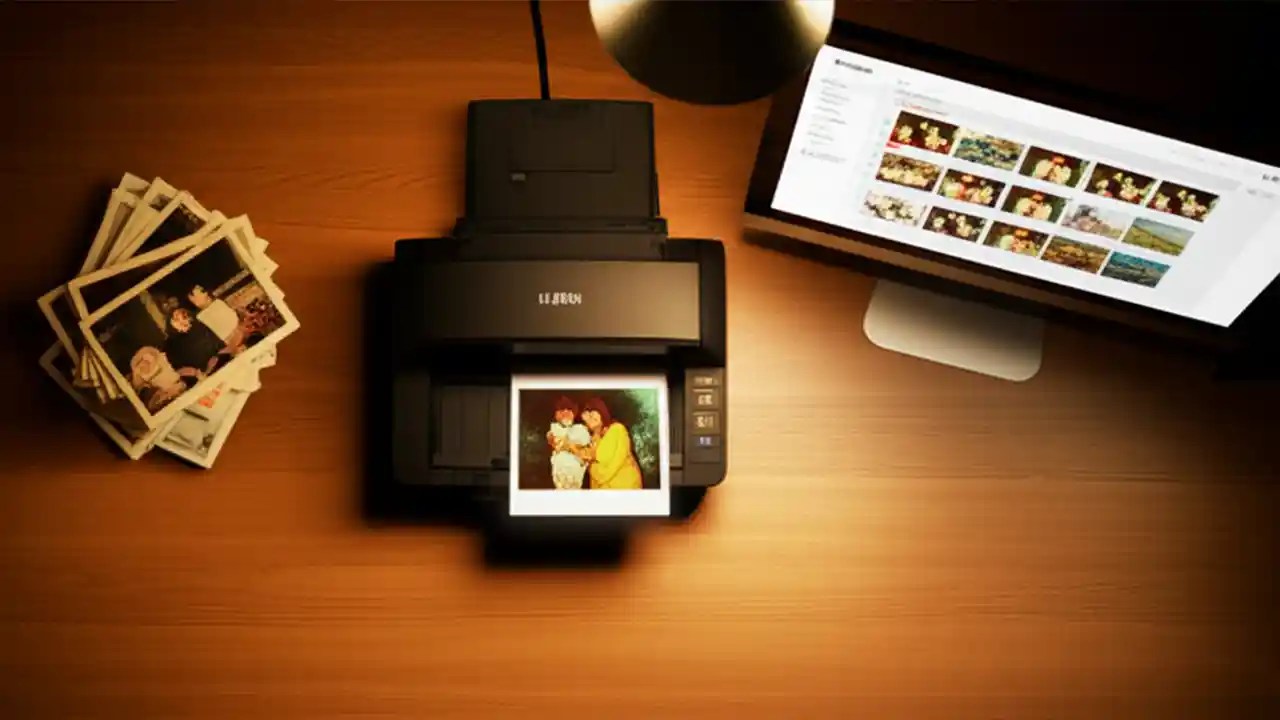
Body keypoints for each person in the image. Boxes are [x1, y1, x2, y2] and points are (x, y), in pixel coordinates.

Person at [576, 397, 643, 490]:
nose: (590, 417)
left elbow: (603, 473)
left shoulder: (617, 430)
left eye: (593, 411)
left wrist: (591, 464)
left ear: (602, 411)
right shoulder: (592, 442)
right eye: (586, 415)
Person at [164, 305, 230, 383]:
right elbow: (178, 369)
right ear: (170, 323)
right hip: (196, 381)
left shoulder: (200, 326)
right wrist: (195, 373)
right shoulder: (170, 344)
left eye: (184, 317)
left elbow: (222, 347)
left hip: (220, 367)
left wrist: (215, 361)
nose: (181, 321)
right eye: (176, 319)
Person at [545, 396, 590, 490]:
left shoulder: (581, 430)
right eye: (561, 410)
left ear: (574, 413)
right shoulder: (552, 431)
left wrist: (568, 445)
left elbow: (586, 453)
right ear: (555, 414)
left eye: (569, 409)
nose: (565, 412)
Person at [188, 284, 243, 349]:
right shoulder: (201, 318)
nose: (206, 293)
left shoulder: (218, 304)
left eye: (203, 291)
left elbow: (235, 323)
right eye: (202, 292)